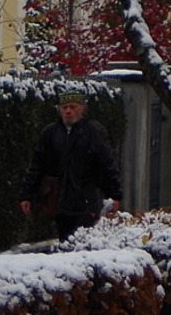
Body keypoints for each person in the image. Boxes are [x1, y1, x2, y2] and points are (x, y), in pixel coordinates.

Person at [18, 93, 123, 241]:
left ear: (82, 108)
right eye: (64, 107)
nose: (68, 111)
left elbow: (107, 164)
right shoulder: (50, 133)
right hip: (59, 201)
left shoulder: (94, 131)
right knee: (64, 239)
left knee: (84, 240)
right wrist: (26, 195)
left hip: (86, 200)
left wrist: (115, 195)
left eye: (73, 107)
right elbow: (36, 165)